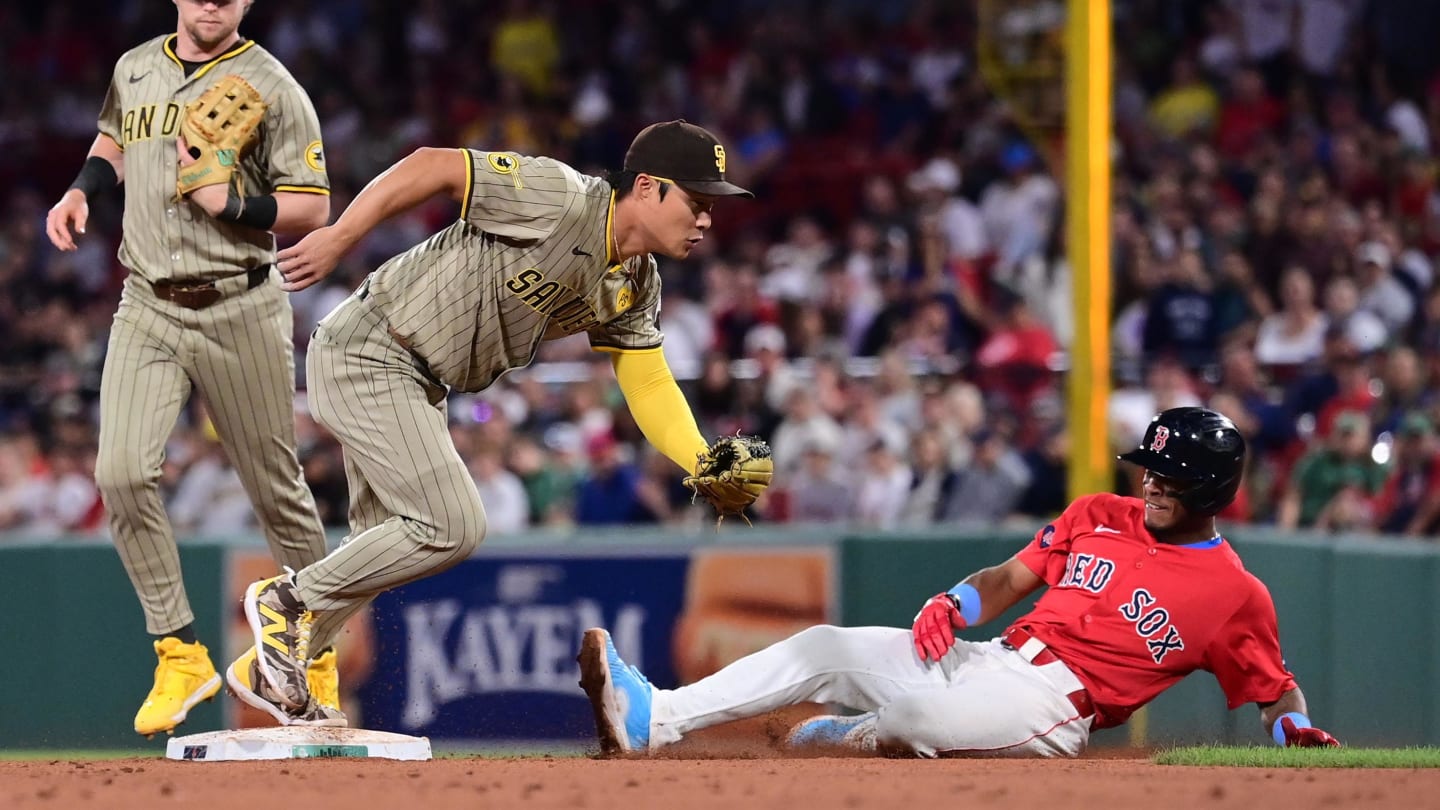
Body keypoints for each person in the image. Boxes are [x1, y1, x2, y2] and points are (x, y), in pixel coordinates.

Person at [228, 120, 760, 722]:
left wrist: (700, 459)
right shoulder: (558, 196)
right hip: (371, 348)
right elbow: (434, 164)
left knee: (380, 552)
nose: (707, 220)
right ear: (646, 187)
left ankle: (272, 666)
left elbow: (647, 378)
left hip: (420, 381)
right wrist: (339, 236)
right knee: (451, 525)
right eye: (696, 201)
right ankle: (285, 602)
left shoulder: (635, 281)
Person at [578, 407, 1341, 757]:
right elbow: (1010, 578)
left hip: (1052, 707)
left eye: (1170, 477)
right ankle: (657, 716)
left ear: (1211, 489)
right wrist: (955, 601)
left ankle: (863, 736)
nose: (1150, 485)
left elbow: (1274, 690)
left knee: (915, 718)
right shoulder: (1101, 511)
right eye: (1150, 470)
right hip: (994, 659)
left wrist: (1290, 728)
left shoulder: (1237, 593)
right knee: (822, 644)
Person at [43, 0, 339, 736]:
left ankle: (317, 651)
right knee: (118, 471)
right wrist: (83, 187)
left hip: (238, 302)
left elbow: (313, 206)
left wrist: (229, 198)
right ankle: (179, 653)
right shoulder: (135, 66)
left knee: (276, 490)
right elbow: (114, 137)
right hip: (146, 302)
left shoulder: (273, 85)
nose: (212, 1)